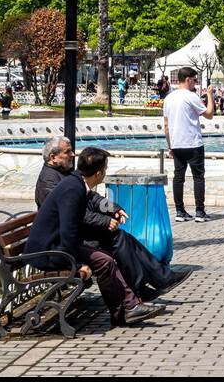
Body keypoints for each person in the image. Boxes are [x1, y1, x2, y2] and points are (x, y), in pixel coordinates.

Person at [35, 136, 188, 299]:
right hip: (64, 242)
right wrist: (105, 221)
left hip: (75, 235)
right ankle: (143, 288)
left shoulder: (65, 174)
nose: (73, 154)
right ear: (53, 157)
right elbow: (74, 214)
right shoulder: (49, 183)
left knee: (122, 238)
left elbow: (92, 197)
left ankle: (158, 280)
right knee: (117, 240)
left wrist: (112, 208)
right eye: (68, 152)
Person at [26, 146, 164, 327]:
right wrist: (76, 264)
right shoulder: (72, 188)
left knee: (110, 252)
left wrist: (114, 208)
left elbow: (94, 201)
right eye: (105, 170)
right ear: (99, 173)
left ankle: (129, 306)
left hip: (60, 245)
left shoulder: (76, 183)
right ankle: (126, 309)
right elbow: (69, 230)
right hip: (49, 251)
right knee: (105, 260)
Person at [163, 67, 213, 223]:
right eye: (195, 80)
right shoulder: (191, 96)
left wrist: (170, 145)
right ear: (188, 79)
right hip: (193, 142)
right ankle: (199, 211)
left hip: (177, 143)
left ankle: (180, 211)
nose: (196, 83)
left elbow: (166, 125)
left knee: (179, 177)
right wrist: (209, 96)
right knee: (198, 177)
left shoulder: (168, 98)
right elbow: (209, 114)